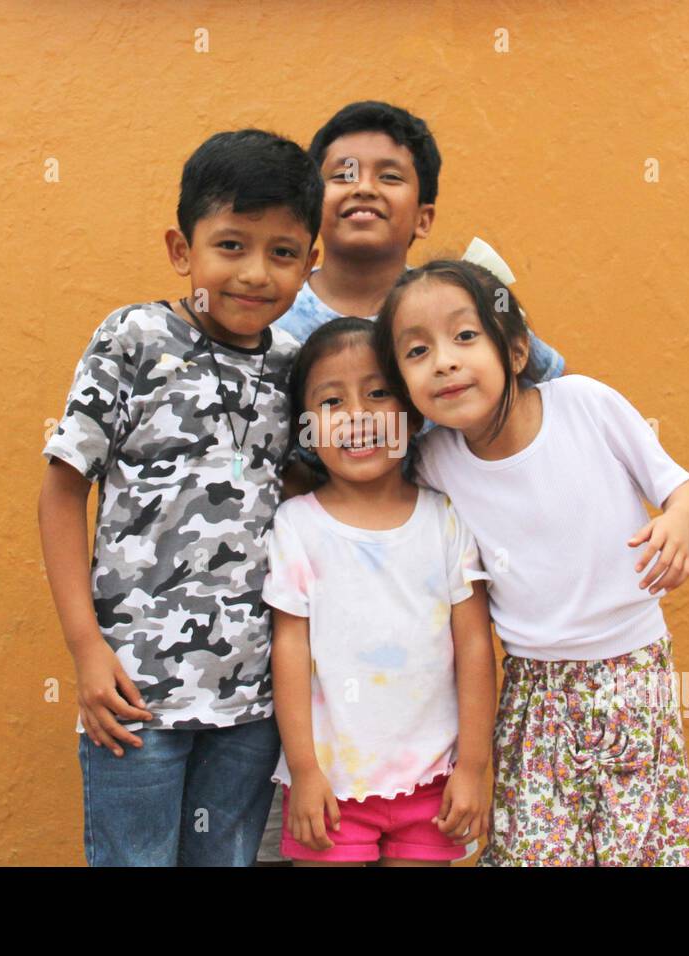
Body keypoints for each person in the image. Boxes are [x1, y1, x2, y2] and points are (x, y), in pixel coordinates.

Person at [257, 99, 567, 863]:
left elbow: (541, 386)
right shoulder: (274, 317)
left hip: (437, 587)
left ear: (422, 214)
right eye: (341, 174)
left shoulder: (446, 307)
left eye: (388, 176)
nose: (363, 188)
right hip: (321, 607)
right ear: (312, 204)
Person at [37, 128, 323, 866]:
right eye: (232, 245)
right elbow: (64, 492)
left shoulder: (297, 366)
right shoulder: (134, 338)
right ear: (181, 249)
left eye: (283, 253)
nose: (256, 273)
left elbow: (300, 496)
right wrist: (85, 649)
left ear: (310, 264)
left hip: (251, 702)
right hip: (133, 693)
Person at [373, 259, 689, 866]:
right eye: (417, 351)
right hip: (532, 688)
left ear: (518, 350)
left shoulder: (586, 404)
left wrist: (678, 522)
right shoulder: (434, 463)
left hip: (632, 674)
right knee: (536, 851)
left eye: (465, 336)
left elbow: (681, 489)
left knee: (641, 850)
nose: (444, 361)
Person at [263, 317, 495, 866]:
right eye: (331, 402)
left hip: (437, 782)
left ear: (413, 414)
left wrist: (473, 767)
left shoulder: (445, 517)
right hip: (331, 787)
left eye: (377, 393)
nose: (358, 417)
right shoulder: (297, 525)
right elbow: (289, 650)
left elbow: (476, 647)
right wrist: (303, 770)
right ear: (306, 430)